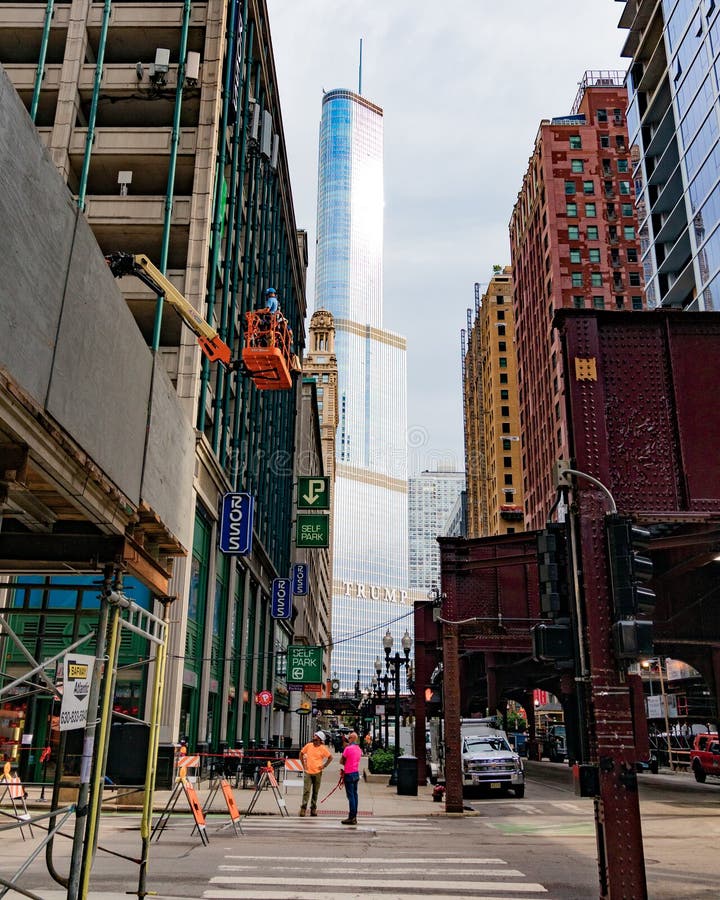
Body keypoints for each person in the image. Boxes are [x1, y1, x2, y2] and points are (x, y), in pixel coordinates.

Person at [299, 731, 332, 817]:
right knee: (306, 791)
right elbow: (301, 753)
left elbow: (330, 757)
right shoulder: (308, 746)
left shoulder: (323, 748)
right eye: (313, 739)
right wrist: (303, 765)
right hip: (308, 772)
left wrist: (324, 766)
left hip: (317, 772)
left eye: (316, 740)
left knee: (315, 792)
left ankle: (313, 809)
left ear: (320, 740)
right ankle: (303, 808)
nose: (314, 741)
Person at [340, 731, 362, 825]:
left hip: (348, 773)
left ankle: (351, 816)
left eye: (349, 738)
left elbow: (342, 761)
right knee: (355, 795)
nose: (348, 739)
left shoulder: (348, 749)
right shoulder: (359, 749)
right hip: (356, 773)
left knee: (350, 796)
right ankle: (354, 816)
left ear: (353, 739)